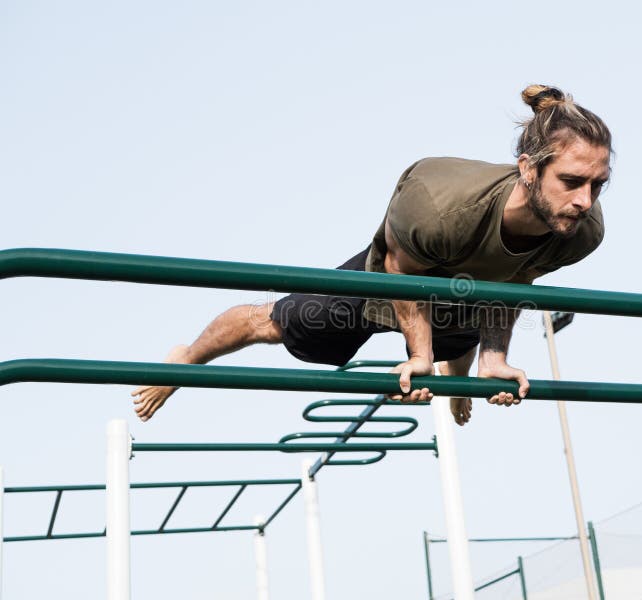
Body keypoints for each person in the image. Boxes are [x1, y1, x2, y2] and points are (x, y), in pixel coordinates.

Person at [132, 84, 612, 426]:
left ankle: (456, 366)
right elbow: (402, 270)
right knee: (279, 323)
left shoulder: (580, 230)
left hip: (467, 289)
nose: (585, 200)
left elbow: (513, 281)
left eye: (597, 184)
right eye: (571, 182)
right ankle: (187, 359)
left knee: (460, 327)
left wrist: (494, 359)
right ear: (528, 169)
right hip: (393, 272)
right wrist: (417, 355)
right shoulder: (441, 208)